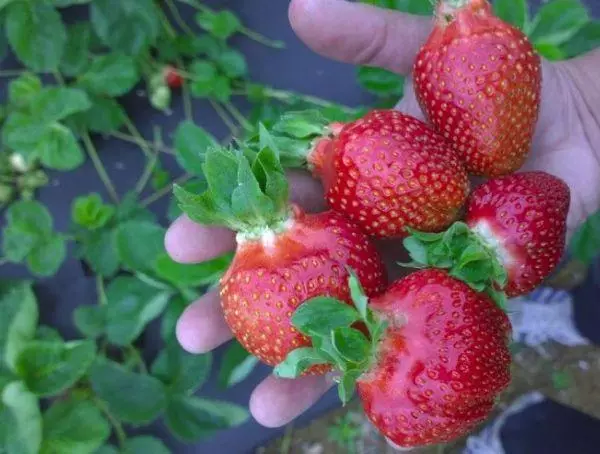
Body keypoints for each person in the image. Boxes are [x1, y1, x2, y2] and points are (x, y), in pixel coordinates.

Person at [164, 0, 600, 432]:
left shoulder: (408, 281)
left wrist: (587, 107)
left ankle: (568, 334)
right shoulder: (394, 271)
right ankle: (575, 325)